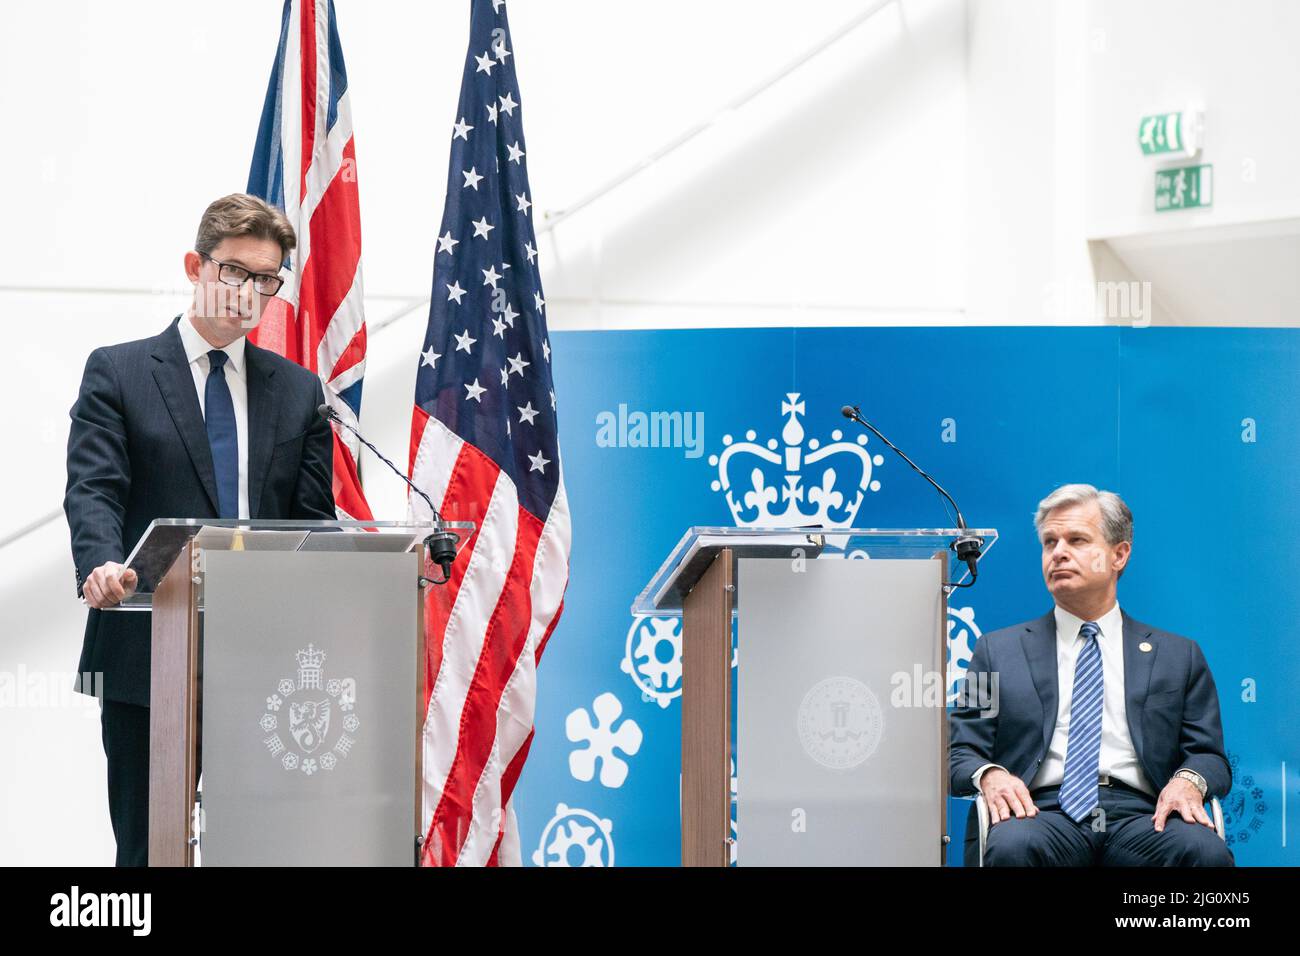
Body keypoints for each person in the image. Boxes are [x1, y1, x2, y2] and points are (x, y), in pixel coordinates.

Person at [64, 193, 336, 866]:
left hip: (265, 660)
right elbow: (95, 487)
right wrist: (102, 564)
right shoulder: (120, 372)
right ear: (196, 266)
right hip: (144, 648)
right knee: (146, 849)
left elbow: (312, 523)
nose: (250, 292)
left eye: (266, 280)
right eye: (235, 272)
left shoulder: (298, 392)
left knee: (260, 850)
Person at [948, 483, 1233, 866]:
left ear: (1119, 555)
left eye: (1077, 540)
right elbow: (960, 750)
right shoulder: (997, 651)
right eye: (1050, 543)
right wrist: (991, 775)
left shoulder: (1178, 655)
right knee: (1012, 845)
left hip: (1144, 815)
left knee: (1203, 851)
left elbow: (1209, 757)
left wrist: (1188, 781)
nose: (1059, 553)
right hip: (1039, 811)